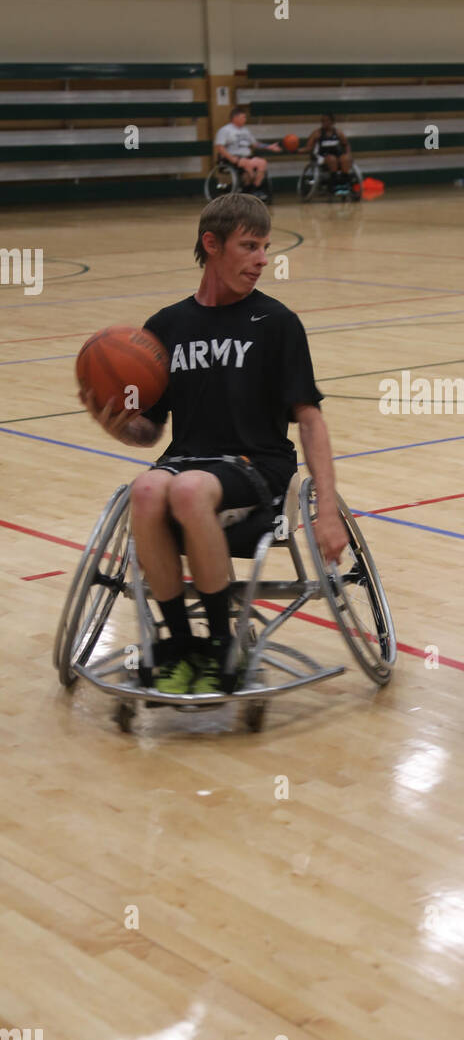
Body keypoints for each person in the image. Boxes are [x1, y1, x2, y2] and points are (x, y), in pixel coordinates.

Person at [78, 192, 347, 696]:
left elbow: (309, 421)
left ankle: (223, 643)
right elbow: (151, 430)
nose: (263, 259)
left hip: (255, 467)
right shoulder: (165, 327)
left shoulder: (277, 324)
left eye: (265, 247)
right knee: (145, 491)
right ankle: (181, 645)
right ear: (212, 244)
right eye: (249, 246)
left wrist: (326, 510)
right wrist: (116, 425)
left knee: (185, 490)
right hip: (186, 461)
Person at [214, 106, 281, 201]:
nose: (245, 119)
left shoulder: (245, 130)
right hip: (233, 157)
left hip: (247, 156)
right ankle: (249, 187)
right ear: (235, 118)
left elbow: (255, 144)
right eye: (243, 117)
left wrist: (269, 146)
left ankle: (255, 189)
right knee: (247, 164)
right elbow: (220, 147)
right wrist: (231, 158)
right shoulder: (225, 130)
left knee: (262, 162)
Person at [306, 112, 354, 189]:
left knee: (345, 159)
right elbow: (308, 147)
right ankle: (333, 182)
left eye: (327, 121)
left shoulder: (338, 132)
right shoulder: (317, 133)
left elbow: (346, 144)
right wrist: (297, 150)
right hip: (321, 156)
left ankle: (345, 182)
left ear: (332, 122)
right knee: (332, 159)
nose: (324, 123)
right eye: (323, 121)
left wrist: (348, 154)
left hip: (336, 155)